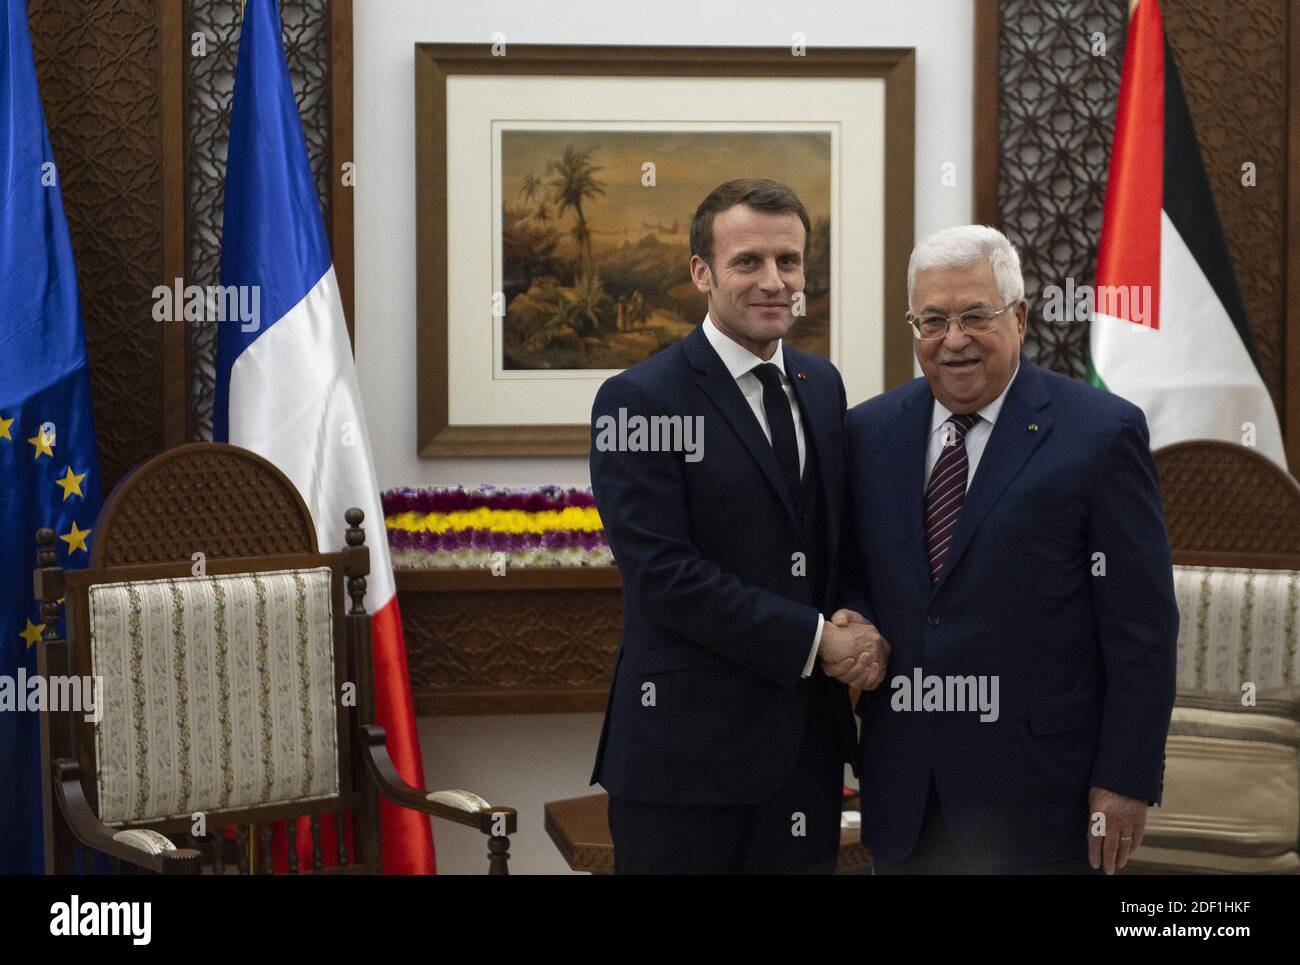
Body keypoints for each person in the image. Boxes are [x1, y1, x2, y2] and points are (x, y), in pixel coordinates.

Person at [835, 224, 1178, 875]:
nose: (953, 339)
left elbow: (1144, 627)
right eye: (931, 319)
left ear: (1018, 316)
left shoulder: (1101, 434)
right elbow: (855, 572)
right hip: (907, 787)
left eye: (973, 315)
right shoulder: (869, 431)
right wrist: (855, 619)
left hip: (1043, 799)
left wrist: (1125, 780)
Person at [589, 179, 888, 874]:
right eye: (747, 261)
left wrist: (857, 617)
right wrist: (820, 640)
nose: (773, 281)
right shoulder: (638, 397)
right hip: (683, 764)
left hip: (805, 756)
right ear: (702, 272)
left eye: (789, 262)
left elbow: (833, 542)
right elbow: (665, 576)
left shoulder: (823, 384)